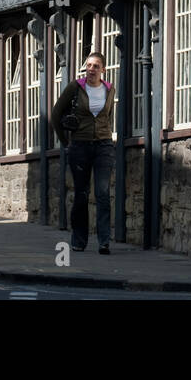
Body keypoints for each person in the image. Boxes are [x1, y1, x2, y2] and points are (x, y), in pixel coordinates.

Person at [52, 50, 116, 254]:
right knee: (81, 194)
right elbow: (55, 114)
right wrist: (65, 142)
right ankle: (79, 239)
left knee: (103, 193)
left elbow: (108, 116)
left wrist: (106, 135)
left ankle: (104, 241)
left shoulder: (109, 89)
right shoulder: (75, 87)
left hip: (104, 146)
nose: (91, 69)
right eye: (88, 65)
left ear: (103, 70)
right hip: (79, 146)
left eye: (96, 66)